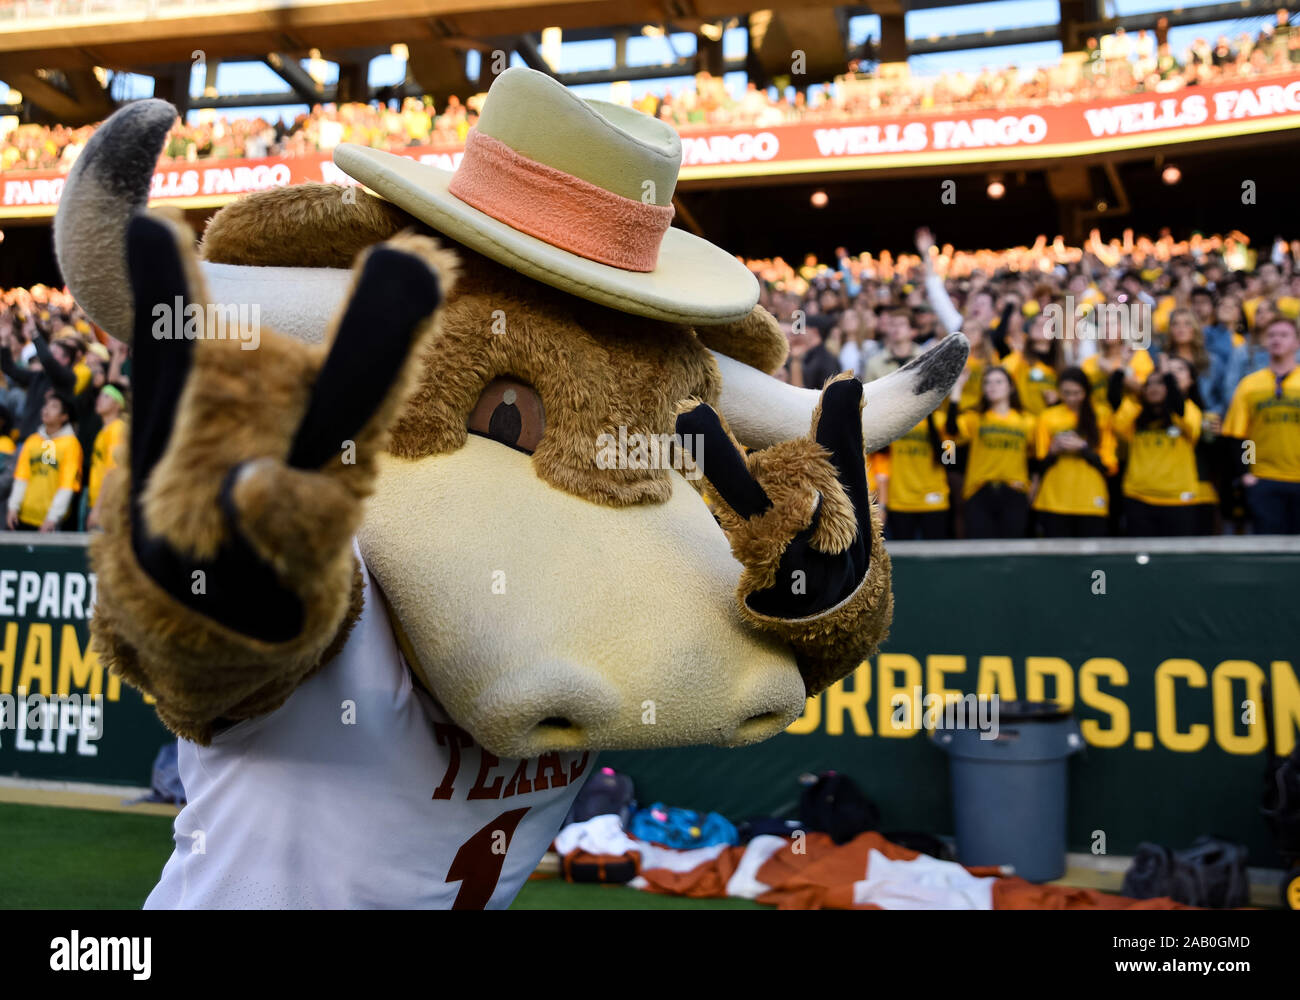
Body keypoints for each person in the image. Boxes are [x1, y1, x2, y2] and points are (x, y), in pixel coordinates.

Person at [1222, 316, 1300, 533]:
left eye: (1284, 335)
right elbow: (1239, 435)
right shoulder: (1249, 384)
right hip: (1264, 478)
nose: (1277, 340)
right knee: (1269, 550)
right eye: (1272, 335)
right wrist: (1247, 473)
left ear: (1296, 342)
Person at [1110, 365, 1202, 536]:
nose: (1154, 388)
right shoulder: (1136, 416)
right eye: (1149, 384)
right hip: (1138, 498)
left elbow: (1183, 414)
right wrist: (1125, 378)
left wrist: (1168, 377)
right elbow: (1117, 414)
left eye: (1160, 383)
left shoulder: (1188, 409)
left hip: (1178, 499)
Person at [947, 365, 1036, 538]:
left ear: (1010, 387)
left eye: (998, 382)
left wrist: (1031, 489)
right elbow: (950, 432)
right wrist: (956, 390)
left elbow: (1035, 459)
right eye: (987, 383)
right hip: (979, 491)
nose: (992, 386)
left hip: (1014, 491)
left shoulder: (1027, 421)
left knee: (1012, 552)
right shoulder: (976, 418)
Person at [1032, 367, 1117, 536]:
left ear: (1086, 391)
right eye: (1066, 393)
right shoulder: (1048, 416)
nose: (1071, 398)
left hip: (1090, 499)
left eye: (1077, 393)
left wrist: (1083, 448)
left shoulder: (1102, 414)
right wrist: (1054, 450)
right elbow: (1039, 460)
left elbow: (1110, 465)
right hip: (1054, 498)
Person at [6, 391, 83, 532]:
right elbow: (21, 477)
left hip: (50, 522)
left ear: (64, 416)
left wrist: (53, 517)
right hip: (23, 517)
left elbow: (67, 486)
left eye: (54, 406)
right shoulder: (32, 440)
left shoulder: (71, 444)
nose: (46, 409)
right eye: (46, 405)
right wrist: (13, 507)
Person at [1167, 355, 1222, 534]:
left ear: (1191, 380)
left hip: (1198, 494)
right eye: (1169, 370)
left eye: (1180, 369)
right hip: (1156, 495)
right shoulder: (1144, 414)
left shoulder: (1206, 418)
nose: (1173, 374)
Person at [877, 410, 952, 540]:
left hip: (934, 500)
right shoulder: (894, 419)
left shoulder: (943, 420)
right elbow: (880, 450)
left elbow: (949, 461)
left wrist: (931, 421)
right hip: (900, 499)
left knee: (936, 555)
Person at [85, 385, 126, 531]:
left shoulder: (117, 429)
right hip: (98, 503)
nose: (99, 399)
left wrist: (98, 508)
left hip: (107, 506)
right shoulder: (103, 432)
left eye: (106, 396)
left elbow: (112, 472)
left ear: (118, 404)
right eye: (100, 395)